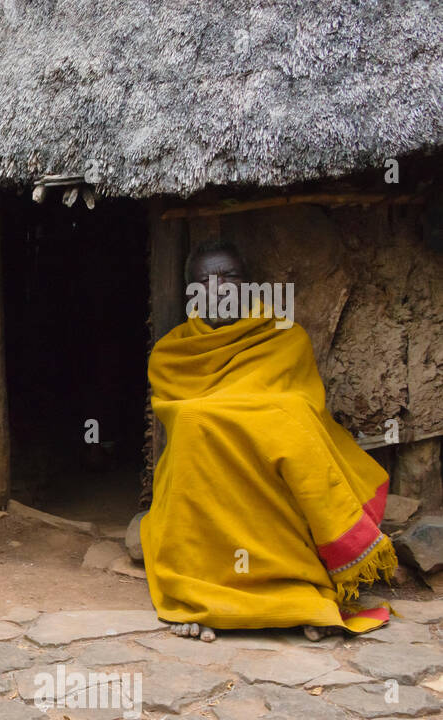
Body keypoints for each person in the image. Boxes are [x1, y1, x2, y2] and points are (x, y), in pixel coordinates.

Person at [141, 240, 395, 642]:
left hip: (270, 458)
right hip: (206, 458)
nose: (219, 287)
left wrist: (242, 415)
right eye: (205, 279)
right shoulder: (173, 353)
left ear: (248, 285)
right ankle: (196, 589)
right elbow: (181, 409)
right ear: (191, 291)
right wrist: (242, 414)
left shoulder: (284, 337)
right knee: (193, 422)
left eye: (230, 277)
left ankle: (298, 586)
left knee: (287, 423)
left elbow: (298, 404)